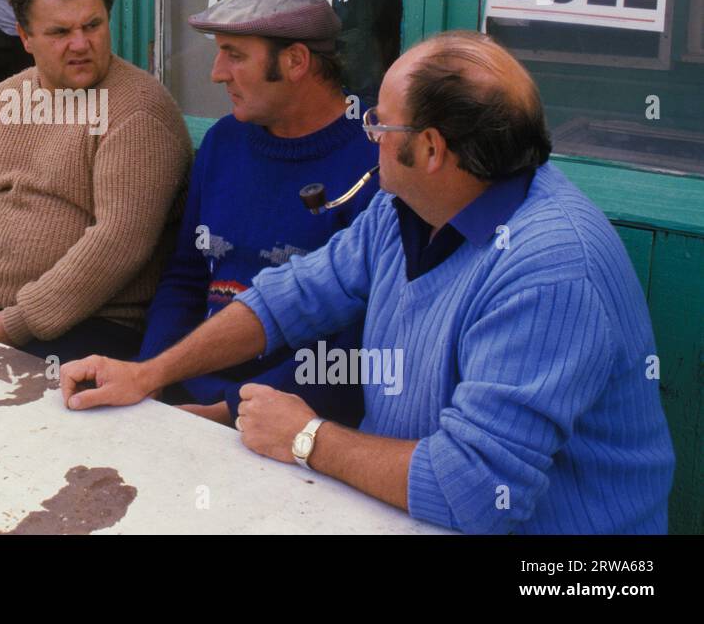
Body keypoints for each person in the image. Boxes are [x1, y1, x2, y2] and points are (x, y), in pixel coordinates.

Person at [60, 31, 675, 534]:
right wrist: (148, 373)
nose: (367, 133)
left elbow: (477, 491)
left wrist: (305, 436)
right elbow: (291, 297)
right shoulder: (404, 204)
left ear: (431, 148)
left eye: (380, 124)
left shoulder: (552, 270)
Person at [0, 0, 191, 360]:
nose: (80, 44)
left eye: (92, 26)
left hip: (88, 324)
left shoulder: (137, 111)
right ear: (25, 38)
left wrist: (20, 321)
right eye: (60, 32)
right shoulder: (3, 99)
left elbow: (118, 241)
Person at [141, 0, 376, 427]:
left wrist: (227, 411)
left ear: (295, 61)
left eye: (235, 54)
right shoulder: (224, 142)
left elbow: (359, 343)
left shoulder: (375, 159)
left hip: (287, 420)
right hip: (184, 392)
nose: (216, 72)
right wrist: (150, 375)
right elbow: (186, 276)